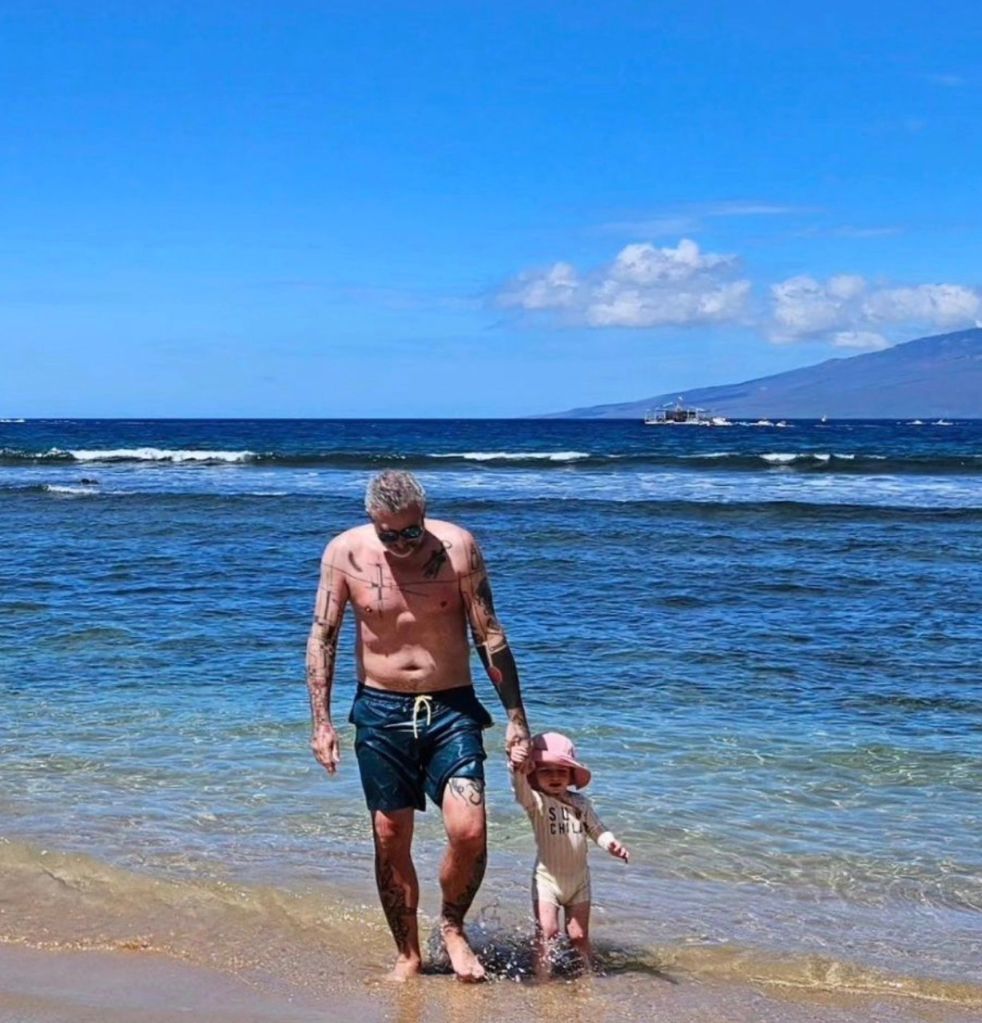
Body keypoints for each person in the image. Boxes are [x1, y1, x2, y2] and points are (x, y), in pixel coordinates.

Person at [306, 469, 532, 982]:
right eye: (392, 534)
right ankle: (408, 953)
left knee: (469, 830)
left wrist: (518, 719)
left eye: (414, 531)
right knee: (389, 835)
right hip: (381, 711)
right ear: (372, 522)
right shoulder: (343, 553)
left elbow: (489, 635)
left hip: (451, 705)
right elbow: (323, 638)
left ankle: (452, 926)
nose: (405, 543)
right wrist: (321, 722)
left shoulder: (458, 548)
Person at [510, 731, 629, 978]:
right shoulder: (537, 803)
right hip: (547, 881)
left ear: (571, 776)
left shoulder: (580, 803)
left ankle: (585, 976)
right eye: (546, 771)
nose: (555, 777)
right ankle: (544, 979)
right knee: (548, 932)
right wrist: (517, 768)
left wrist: (611, 844)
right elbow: (521, 791)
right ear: (534, 774)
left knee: (579, 935)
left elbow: (597, 830)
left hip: (579, 881)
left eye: (562, 771)